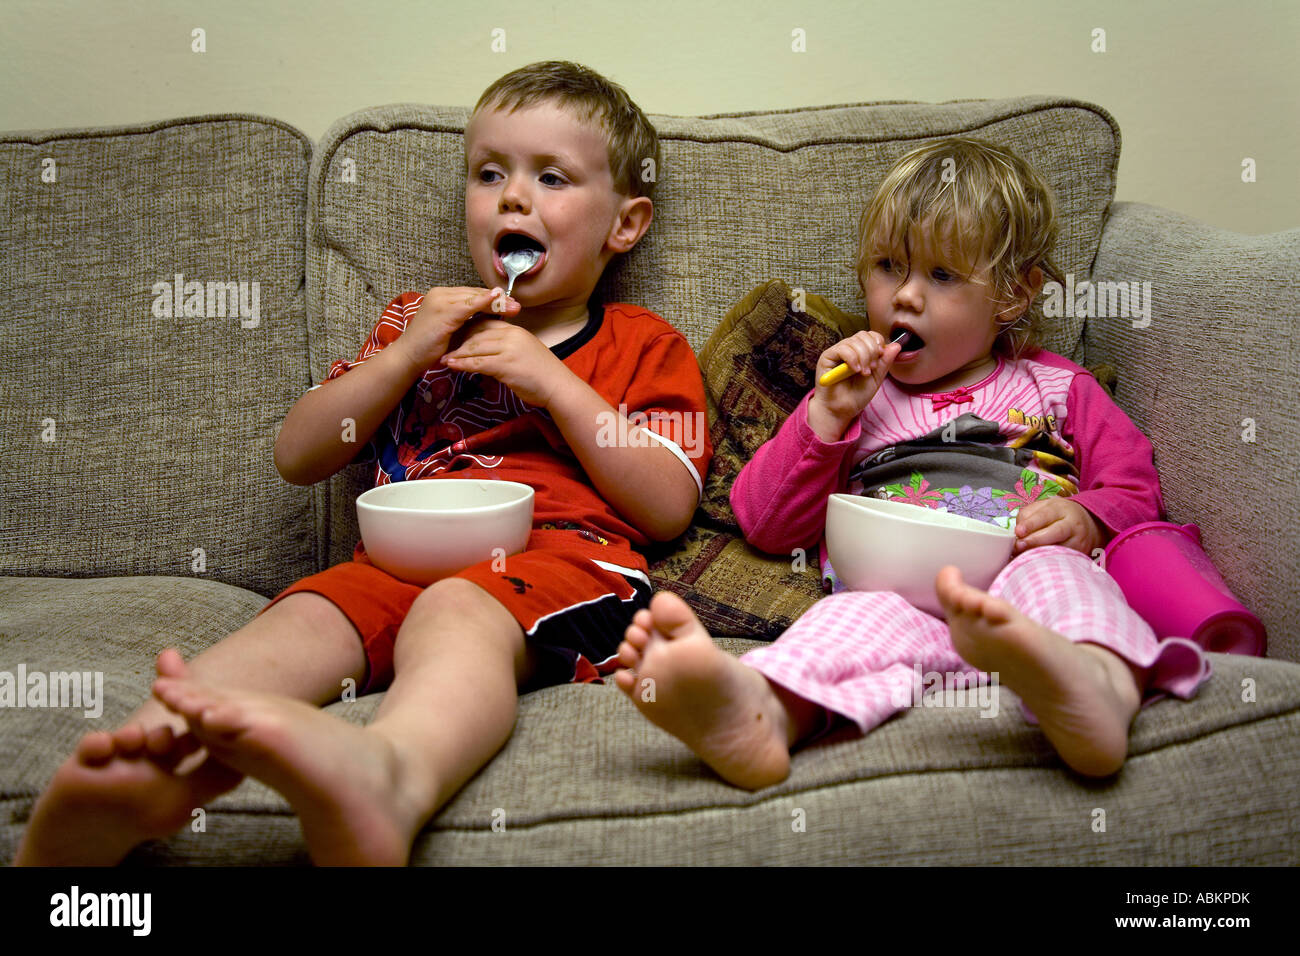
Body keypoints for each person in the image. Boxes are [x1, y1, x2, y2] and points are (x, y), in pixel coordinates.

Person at [17, 60, 711, 865]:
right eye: (489, 174)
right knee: (308, 614)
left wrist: (553, 382)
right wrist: (406, 355)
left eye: (551, 178)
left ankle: (392, 775)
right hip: (396, 558)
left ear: (624, 225)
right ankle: (148, 759)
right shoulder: (414, 324)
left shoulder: (641, 342)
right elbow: (299, 454)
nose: (512, 198)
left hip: (566, 567)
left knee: (454, 612)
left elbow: (666, 507)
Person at [615, 137, 1209, 790]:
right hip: (895, 595)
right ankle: (755, 713)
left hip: (1024, 571)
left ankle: (1092, 691)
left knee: (1069, 586)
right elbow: (763, 523)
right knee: (839, 628)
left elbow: (1135, 489)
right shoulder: (851, 396)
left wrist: (1084, 517)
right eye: (889, 267)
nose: (906, 298)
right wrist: (826, 418)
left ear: (1014, 294)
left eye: (942, 276)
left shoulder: (1060, 389)